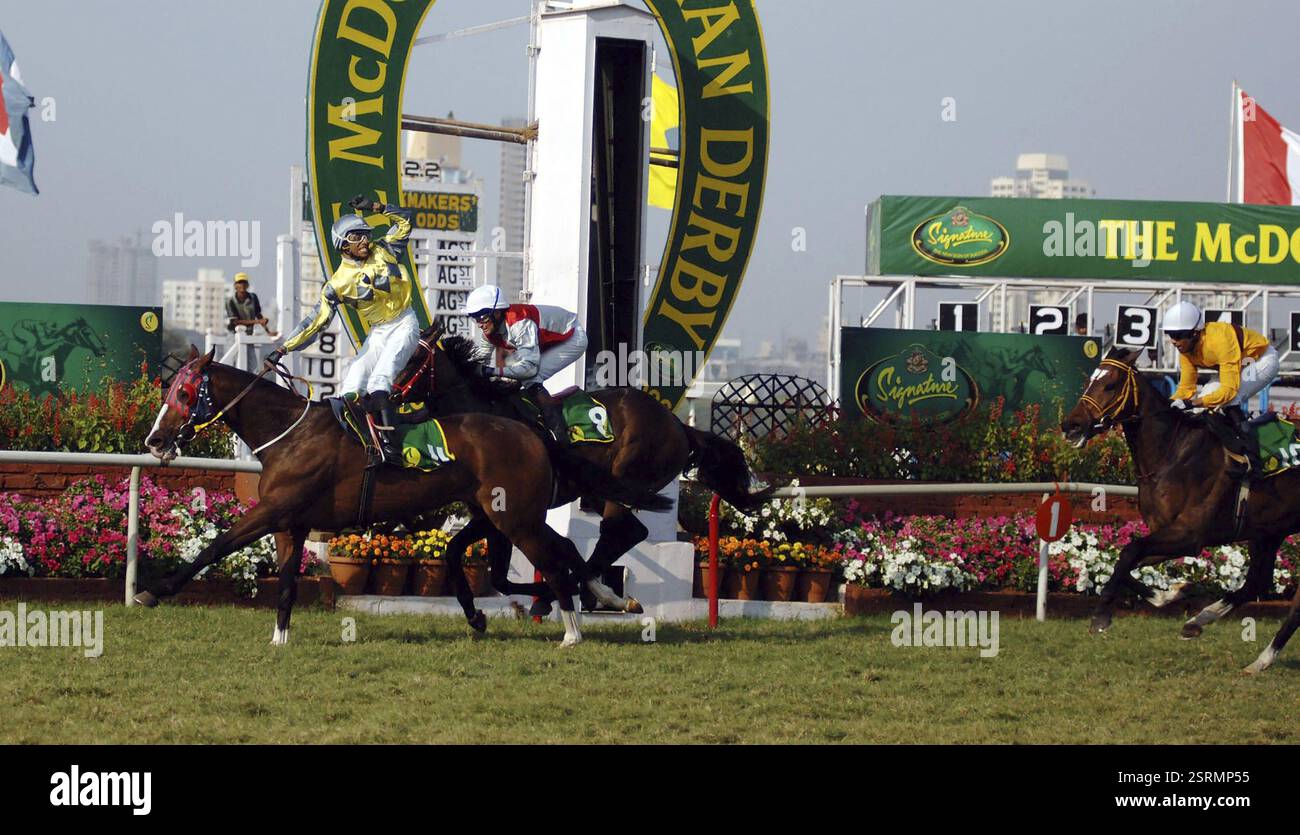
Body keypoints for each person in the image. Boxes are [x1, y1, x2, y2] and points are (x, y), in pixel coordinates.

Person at [267, 196, 418, 464]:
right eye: (357, 237)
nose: (365, 241)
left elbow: (405, 220)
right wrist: (283, 348)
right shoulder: (337, 285)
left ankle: (394, 449)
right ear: (342, 244)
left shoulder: (386, 250)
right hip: (379, 333)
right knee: (349, 387)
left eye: (365, 235)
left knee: (378, 382)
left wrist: (377, 208)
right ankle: (356, 445)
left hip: (404, 323)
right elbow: (315, 321)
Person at [1162, 301, 1279, 474]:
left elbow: (1228, 391)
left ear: (1195, 333)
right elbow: (1186, 388)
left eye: (1178, 335)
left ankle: (1252, 459)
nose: (1174, 341)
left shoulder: (1220, 340)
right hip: (1239, 365)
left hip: (1261, 360)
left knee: (1230, 399)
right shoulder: (1185, 349)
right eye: (1170, 334)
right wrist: (1169, 406)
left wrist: (1193, 403)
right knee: (1202, 403)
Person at [462, 284, 588, 444]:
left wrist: (491, 371)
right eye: (475, 318)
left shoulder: (520, 323)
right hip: (547, 340)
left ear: (497, 313)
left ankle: (559, 436)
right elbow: (479, 359)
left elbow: (529, 369)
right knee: (516, 378)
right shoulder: (489, 331)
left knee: (531, 377)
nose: (480, 324)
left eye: (482, 317)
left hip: (572, 337)